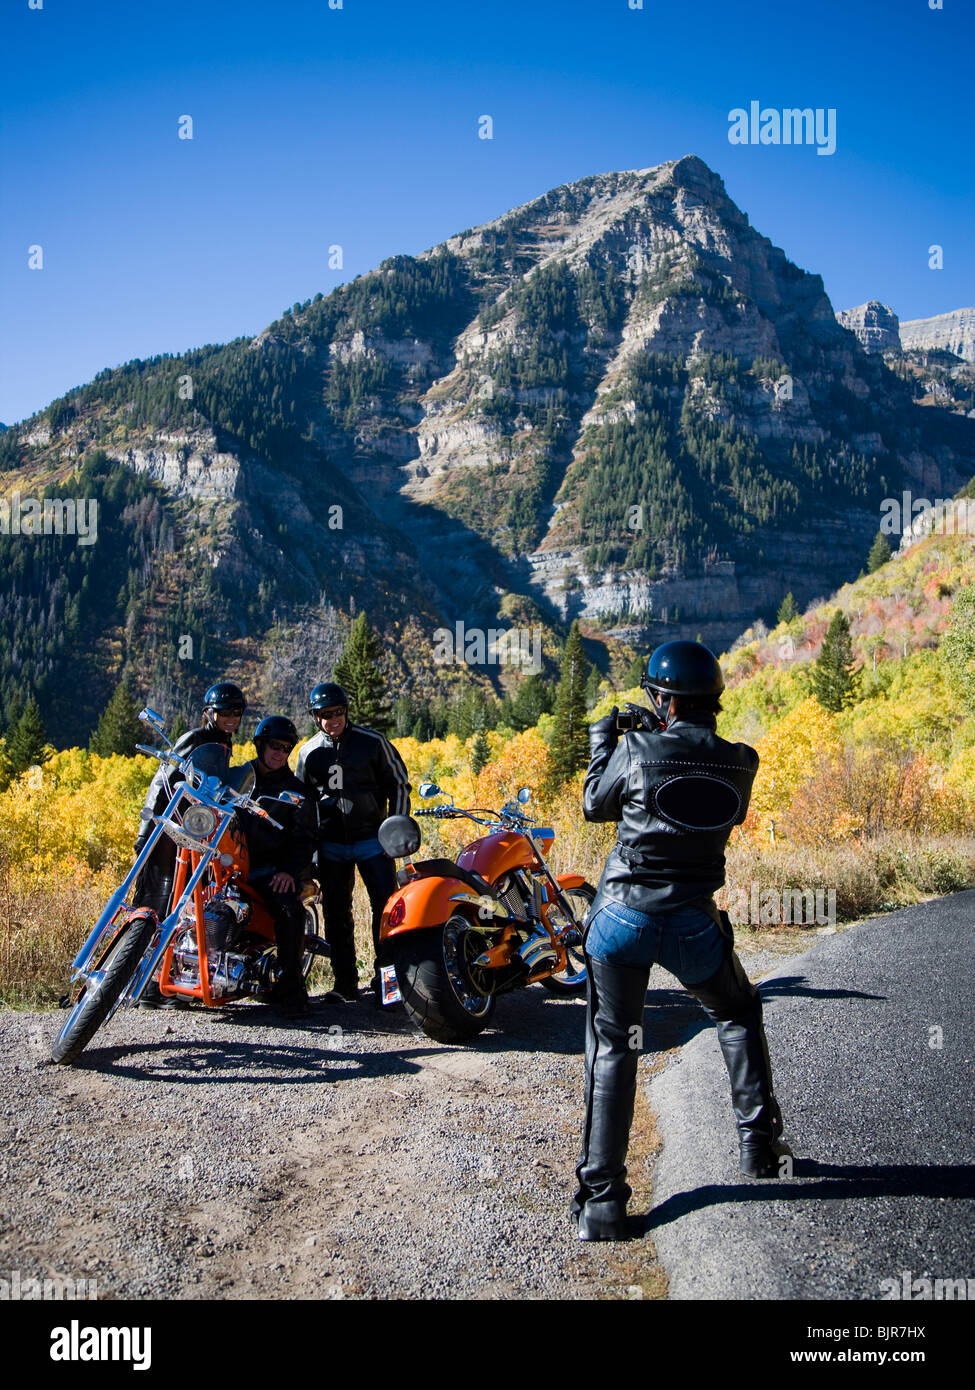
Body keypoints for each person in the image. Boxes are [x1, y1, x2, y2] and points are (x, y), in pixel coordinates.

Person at [572, 640, 791, 1241]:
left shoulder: (635, 748)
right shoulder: (741, 761)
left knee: (614, 1047)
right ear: (712, 699)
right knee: (739, 1011)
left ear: (663, 700)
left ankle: (603, 1205)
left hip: (622, 917)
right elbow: (708, 796)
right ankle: (759, 1150)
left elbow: (595, 805)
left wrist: (606, 742)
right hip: (693, 920)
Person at [296, 682, 411, 1003]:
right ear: (315, 717)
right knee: (336, 914)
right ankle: (345, 985)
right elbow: (302, 804)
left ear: (347, 711)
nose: (333, 719)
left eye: (338, 712)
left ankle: (389, 985)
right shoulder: (308, 753)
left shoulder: (372, 742)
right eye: (325, 714)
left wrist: (395, 830)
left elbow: (399, 785)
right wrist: (308, 851)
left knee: (387, 911)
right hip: (331, 844)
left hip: (374, 840)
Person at [134, 681, 247, 1009]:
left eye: (236, 712)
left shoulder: (223, 746)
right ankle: (143, 982)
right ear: (208, 713)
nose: (230, 717)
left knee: (185, 910)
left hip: (196, 837)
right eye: (224, 711)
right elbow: (163, 780)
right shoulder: (196, 739)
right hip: (170, 832)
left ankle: (173, 982)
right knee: (155, 903)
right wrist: (147, 830)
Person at [234, 716, 318, 1018]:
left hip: (271, 870)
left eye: (285, 747)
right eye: (274, 745)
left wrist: (288, 870)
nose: (279, 752)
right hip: (230, 864)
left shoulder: (297, 790)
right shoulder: (239, 778)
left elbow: (306, 838)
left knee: (289, 910)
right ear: (260, 744)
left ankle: (292, 987)